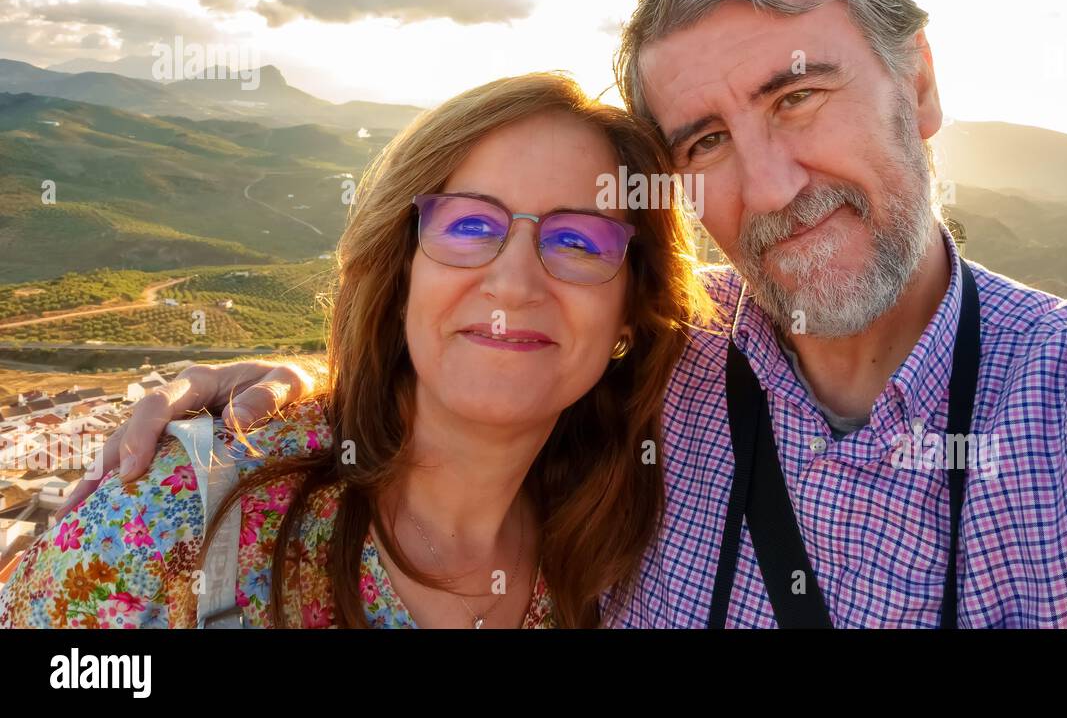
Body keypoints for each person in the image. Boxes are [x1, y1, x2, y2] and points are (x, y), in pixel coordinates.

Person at [53, 0, 1067, 627]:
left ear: (918, 83)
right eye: (703, 138)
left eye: (799, 93)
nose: (764, 186)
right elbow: (489, 341)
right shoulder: (658, 378)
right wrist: (279, 389)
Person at [0, 72, 713, 628]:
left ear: (629, 314)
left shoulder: (616, 557)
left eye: (579, 240)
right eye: (469, 226)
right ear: (400, 276)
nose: (515, 281)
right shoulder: (174, 521)